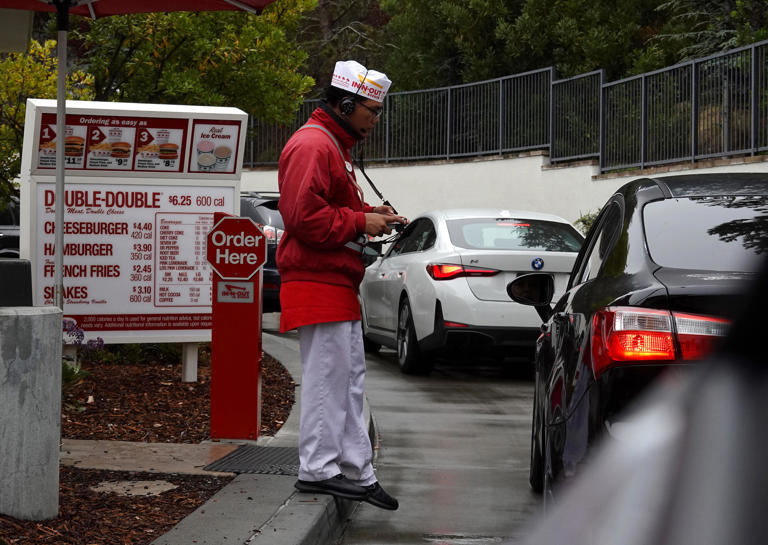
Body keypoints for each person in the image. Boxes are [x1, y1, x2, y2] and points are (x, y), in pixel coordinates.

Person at [276, 60, 405, 511]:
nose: (374, 119)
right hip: (318, 280)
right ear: (346, 104)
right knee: (329, 381)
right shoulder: (315, 146)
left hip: (332, 282)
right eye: (371, 110)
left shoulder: (329, 145)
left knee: (345, 380)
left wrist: (373, 216)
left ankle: (353, 469)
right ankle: (318, 469)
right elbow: (302, 217)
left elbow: (324, 207)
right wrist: (360, 219)